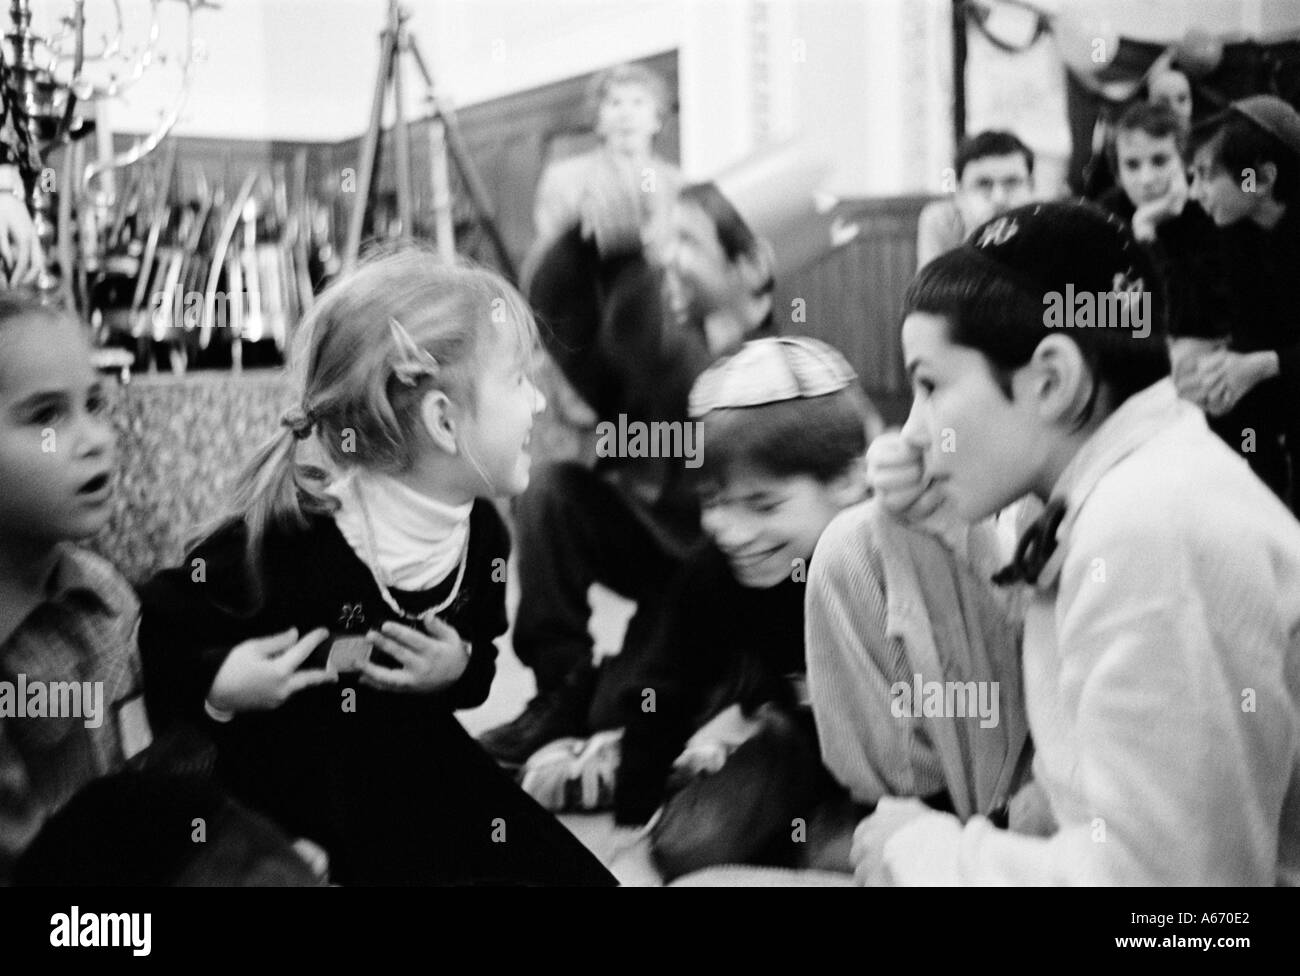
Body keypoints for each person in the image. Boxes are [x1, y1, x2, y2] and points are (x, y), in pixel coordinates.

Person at [849, 202, 1300, 885]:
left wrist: (927, 851)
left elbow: (1180, 916)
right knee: (862, 538)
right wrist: (941, 514)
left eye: (930, 386)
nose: (911, 431)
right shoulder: (1138, 483)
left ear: (1053, 381)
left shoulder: (1150, 531)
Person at [138, 248, 615, 886]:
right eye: (518, 382)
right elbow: (168, 625)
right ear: (444, 422)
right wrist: (222, 682)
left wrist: (457, 667)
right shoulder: (287, 541)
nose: (537, 404)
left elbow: (479, 664)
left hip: (413, 762)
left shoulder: (486, 537)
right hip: (290, 787)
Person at [478, 178, 776, 768]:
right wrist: (580, 238)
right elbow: (556, 304)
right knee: (548, 491)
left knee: (626, 708)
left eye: (687, 242)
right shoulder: (646, 326)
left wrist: (635, 257)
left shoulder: (770, 363)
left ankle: (654, 690)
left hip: (719, 578)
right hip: (646, 540)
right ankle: (559, 689)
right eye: (664, 242)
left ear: (747, 267)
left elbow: (684, 363)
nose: (666, 256)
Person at [556, 337, 871, 882]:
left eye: (763, 504)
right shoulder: (716, 570)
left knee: (855, 856)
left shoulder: (891, 558)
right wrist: (634, 824)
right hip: (798, 736)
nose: (730, 529)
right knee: (684, 846)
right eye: (713, 501)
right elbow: (662, 692)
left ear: (846, 481)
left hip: (906, 760)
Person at [0, 292, 151, 883]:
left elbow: (141, 771)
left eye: (95, 403)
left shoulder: (106, 596)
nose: (94, 439)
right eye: (45, 417)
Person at [1182, 94, 1300, 512]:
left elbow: (1267, 355)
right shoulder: (1237, 230)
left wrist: (1264, 364)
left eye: (1205, 177)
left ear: (1260, 179)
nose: (1194, 192)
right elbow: (1251, 332)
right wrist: (1225, 372)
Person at [1095, 101, 1227, 342]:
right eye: (1132, 165)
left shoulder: (1212, 211)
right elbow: (1099, 314)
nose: (1146, 179)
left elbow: (1196, 320)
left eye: (1160, 161)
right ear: (1117, 174)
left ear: (1186, 163)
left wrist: (1147, 236)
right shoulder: (1105, 214)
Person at [528, 62, 681, 269]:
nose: (626, 113)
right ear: (598, 120)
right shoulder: (563, 179)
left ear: (658, 120)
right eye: (615, 103)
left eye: (638, 102)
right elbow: (549, 256)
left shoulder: (678, 185)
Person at [916, 130, 1034, 269]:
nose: (999, 198)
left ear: (1032, 187)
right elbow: (932, 289)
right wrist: (977, 237)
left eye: (1012, 182)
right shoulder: (942, 221)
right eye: (984, 184)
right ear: (959, 191)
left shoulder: (1050, 223)